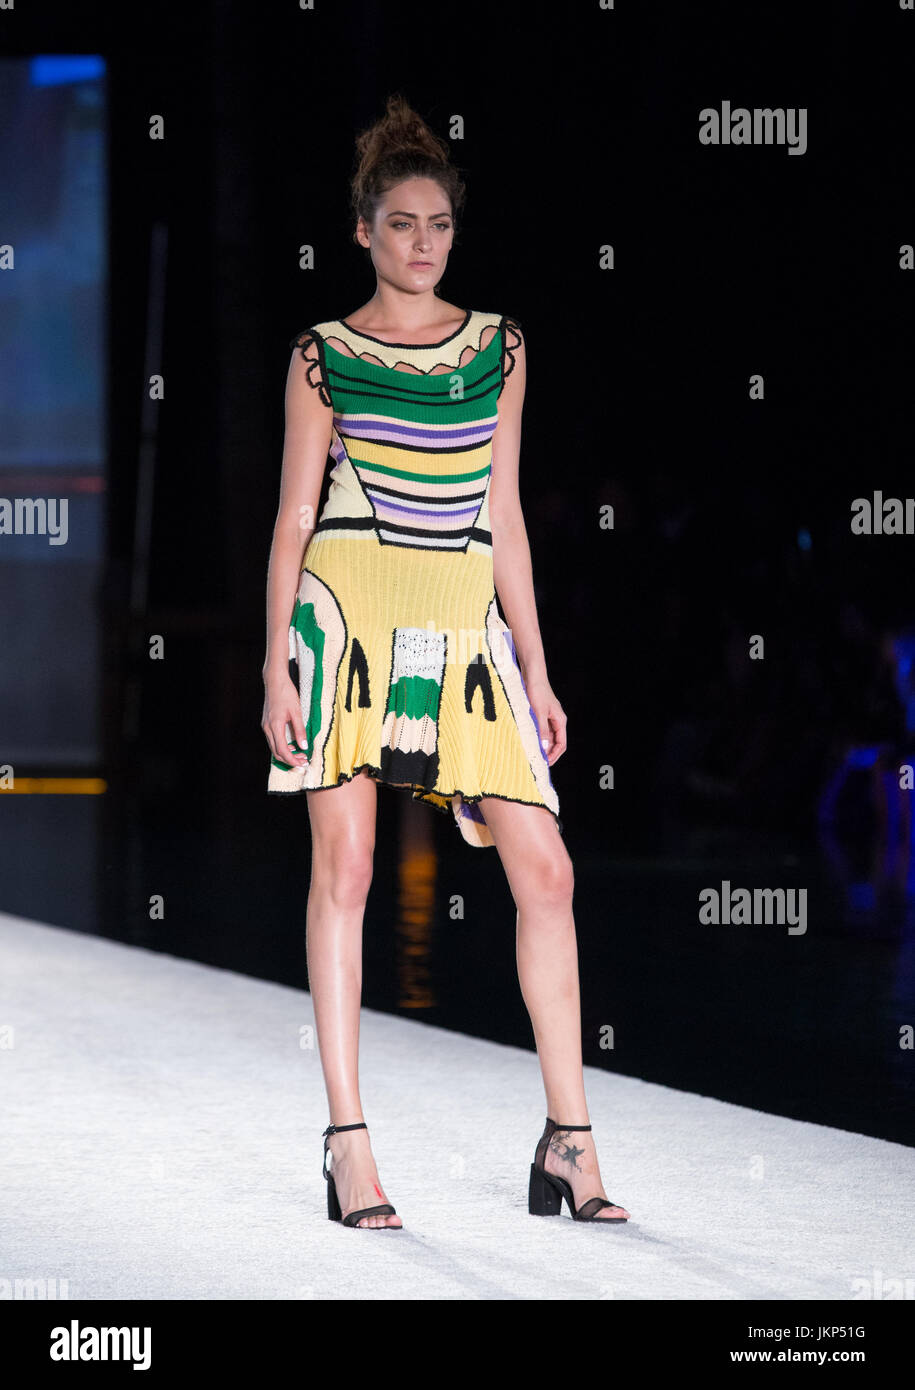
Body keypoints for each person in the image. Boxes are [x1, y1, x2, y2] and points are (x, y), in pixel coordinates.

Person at [261, 93, 630, 1229]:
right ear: (363, 229)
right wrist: (277, 663)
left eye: (440, 225)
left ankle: (569, 1142)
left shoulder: (500, 347)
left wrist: (538, 663)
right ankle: (349, 1147)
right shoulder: (321, 357)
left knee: (548, 870)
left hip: (460, 622)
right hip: (350, 612)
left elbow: (505, 512)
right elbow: (290, 519)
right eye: (403, 223)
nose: (424, 243)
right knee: (351, 868)